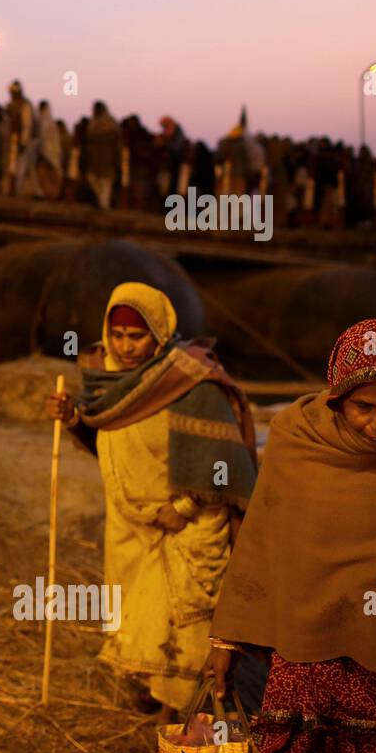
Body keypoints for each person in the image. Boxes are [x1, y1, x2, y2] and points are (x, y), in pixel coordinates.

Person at [208, 319, 376, 753]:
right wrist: (228, 637)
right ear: (336, 398)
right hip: (307, 669)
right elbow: (264, 536)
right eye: (364, 407)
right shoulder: (299, 443)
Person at [45, 282, 258, 720]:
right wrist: (74, 419)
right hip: (131, 525)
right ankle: (161, 702)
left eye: (137, 336)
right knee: (142, 615)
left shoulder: (190, 380)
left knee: (186, 623)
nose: (125, 347)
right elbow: (110, 436)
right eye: (117, 335)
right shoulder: (105, 380)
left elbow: (222, 466)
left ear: (159, 332)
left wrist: (182, 508)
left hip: (186, 525)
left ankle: (193, 713)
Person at [82, 100, 121, 209]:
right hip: (94, 159)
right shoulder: (92, 124)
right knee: (93, 180)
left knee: (105, 184)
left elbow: (117, 144)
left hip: (107, 159)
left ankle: (104, 207)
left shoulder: (111, 124)